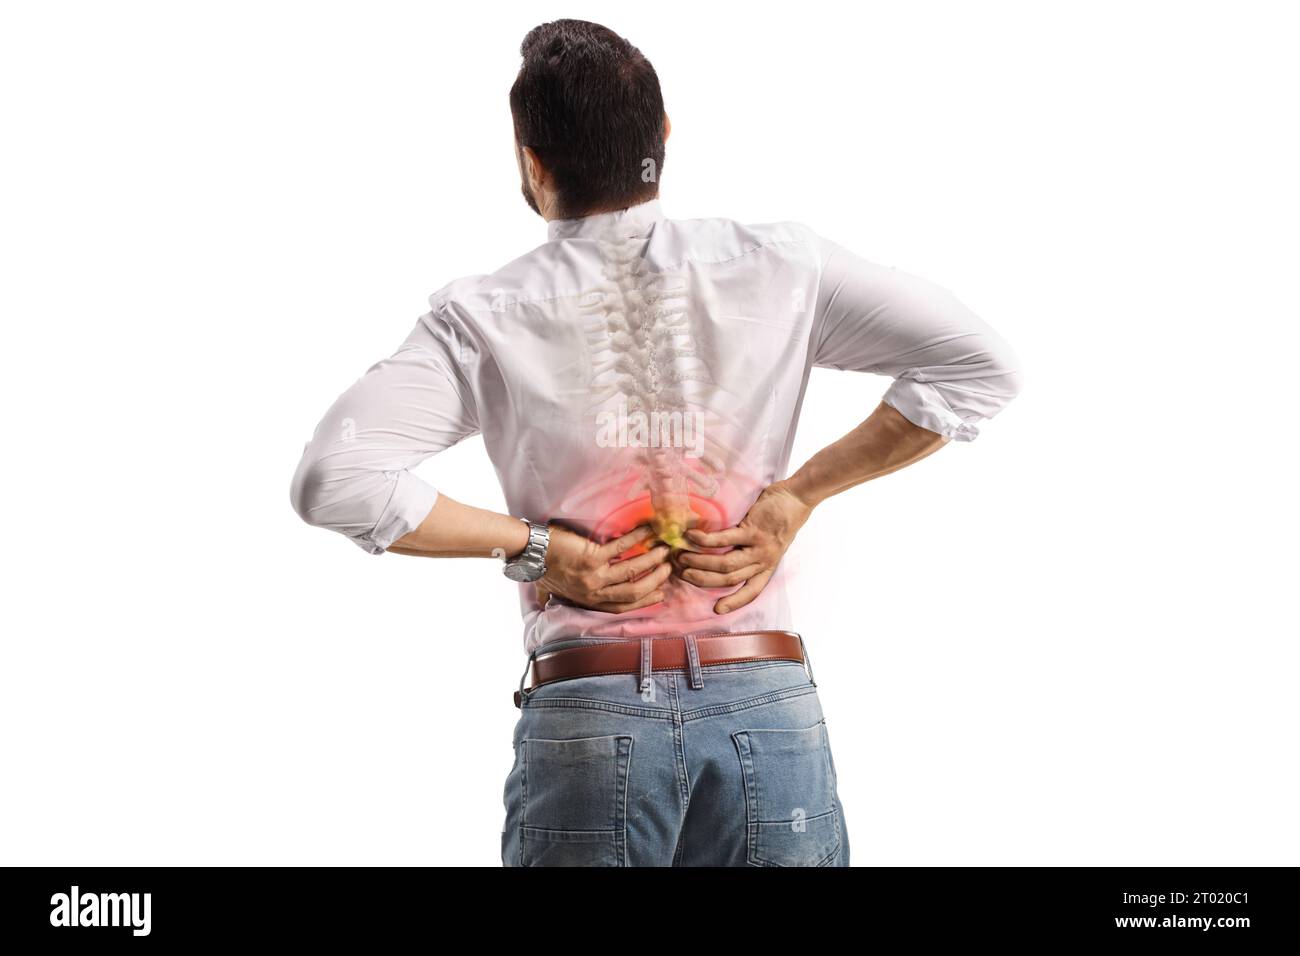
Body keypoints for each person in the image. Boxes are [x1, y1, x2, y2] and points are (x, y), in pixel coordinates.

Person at [289, 19, 1023, 867]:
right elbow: (977, 367)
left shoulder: (482, 317)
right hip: (764, 703)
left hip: (592, 711)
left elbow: (334, 478)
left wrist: (537, 549)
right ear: (663, 140)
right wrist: (797, 496)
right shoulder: (780, 266)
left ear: (533, 161)